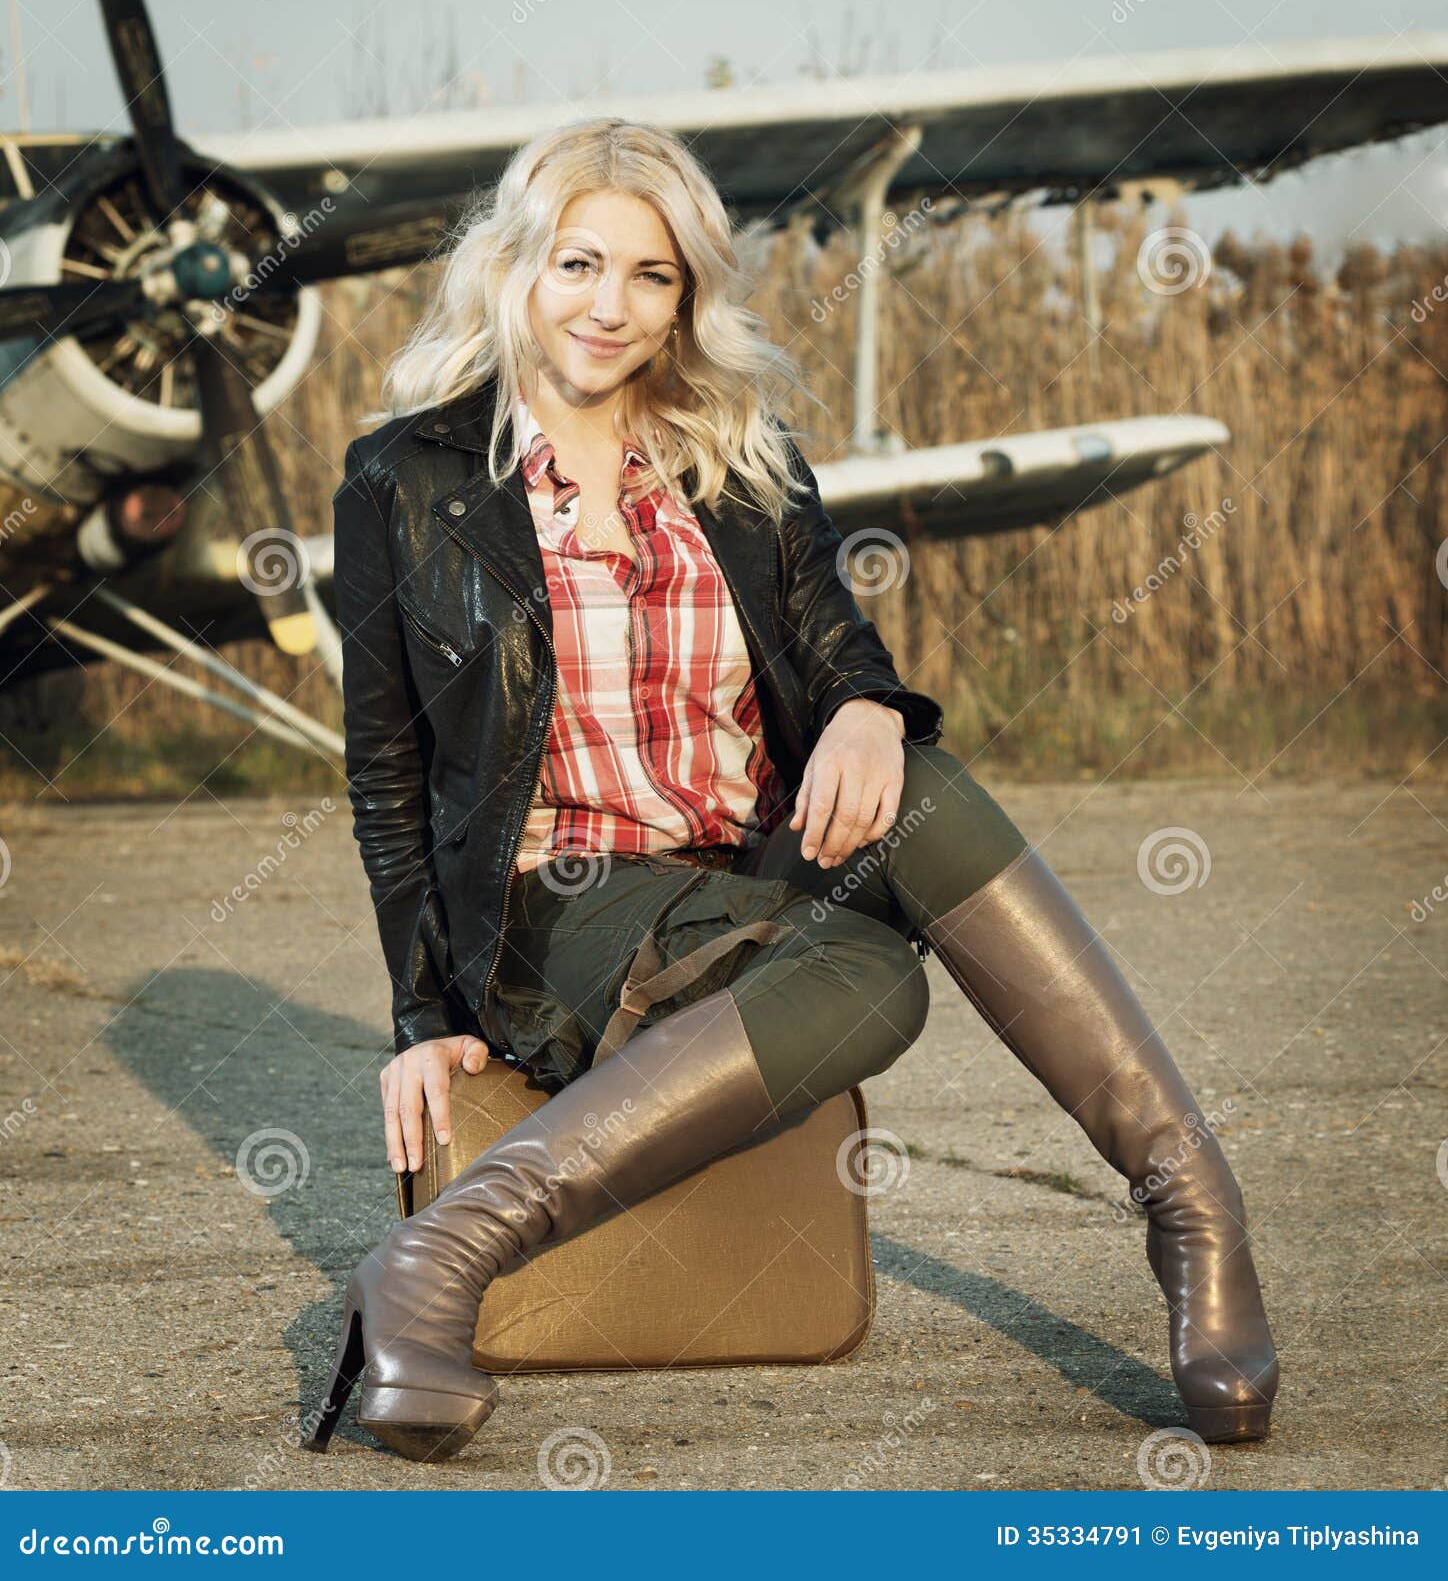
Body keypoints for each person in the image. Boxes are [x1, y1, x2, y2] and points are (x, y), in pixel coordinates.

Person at [308, 118, 1277, 1464]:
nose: (612, 306)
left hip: (741, 862)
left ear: (688, 296)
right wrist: (421, 1008)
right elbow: (386, 776)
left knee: (921, 789)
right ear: (516, 266)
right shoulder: (403, 481)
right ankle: (444, 1252)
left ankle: (1192, 1203)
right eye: (581, 263)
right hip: (555, 903)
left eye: (655, 276)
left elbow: (835, 649)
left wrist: (871, 714)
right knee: (876, 985)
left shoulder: (738, 453)